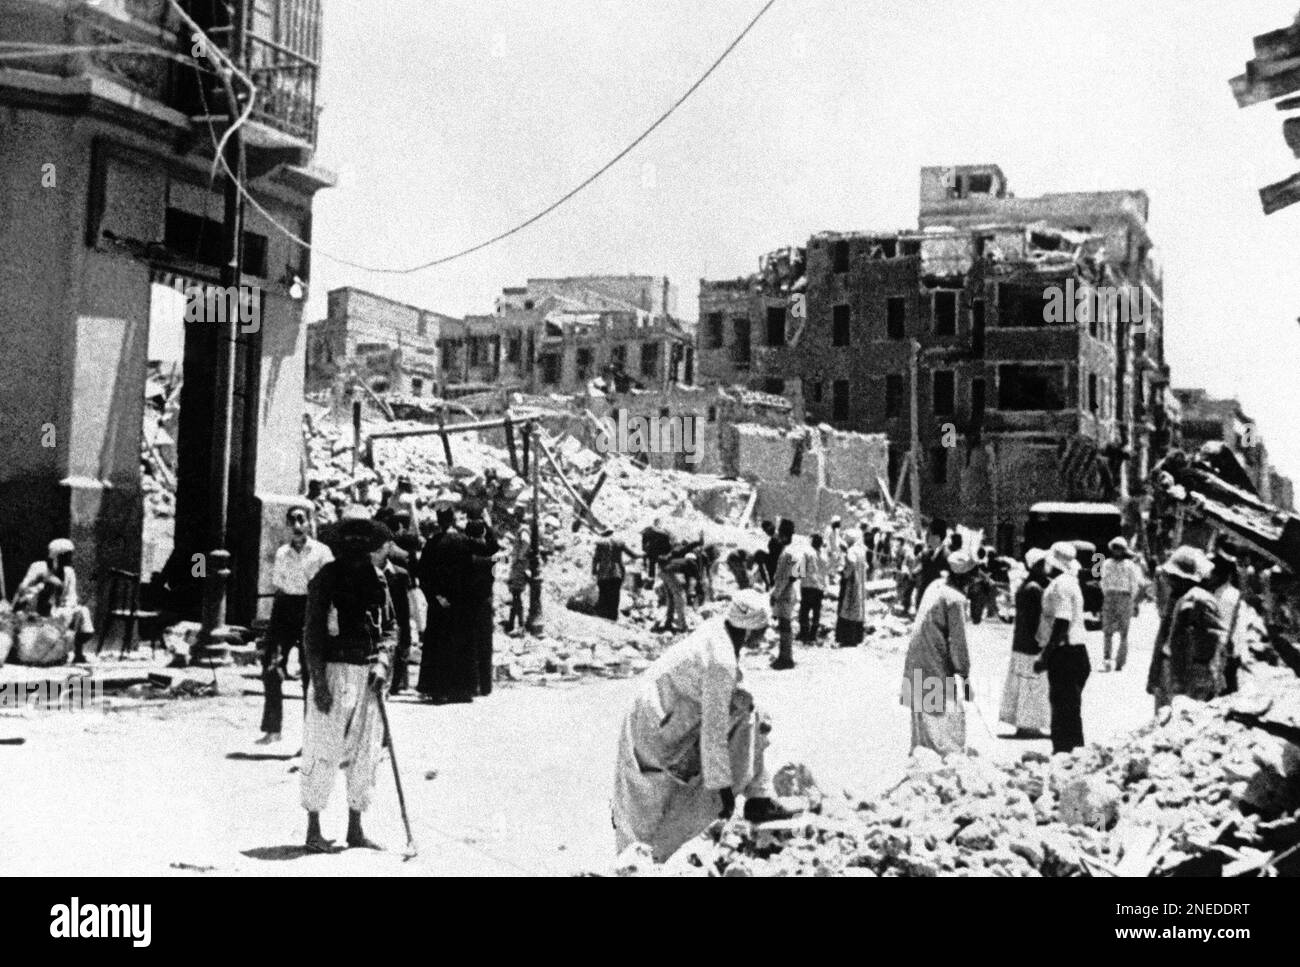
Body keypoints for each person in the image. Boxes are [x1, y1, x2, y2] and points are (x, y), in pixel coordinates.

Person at [611, 589, 793, 862]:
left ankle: (758, 794)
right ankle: (632, 864)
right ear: (752, 627)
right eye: (763, 628)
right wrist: (723, 791)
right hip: (654, 727)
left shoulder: (720, 632)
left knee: (752, 712)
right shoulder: (720, 660)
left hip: (666, 714)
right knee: (645, 809)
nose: (765, 635)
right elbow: (714, 731)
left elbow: (731, 705)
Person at [300, 515, 396, 853]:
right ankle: (314, 829)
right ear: (341, 545)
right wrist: (319, 682)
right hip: (333, 671)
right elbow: (311, 634)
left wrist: (383, 663)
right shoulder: (326, 578)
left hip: (368, 674)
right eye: (350, 541)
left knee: (366, 751)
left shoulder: (378, 580)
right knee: (323, 747)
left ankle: (356, 827)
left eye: (362, 542)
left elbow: (390, 629)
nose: (356, 548)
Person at [900, 549, 976, 756]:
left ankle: (921, 755)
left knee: (923, 713)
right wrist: (965, 675)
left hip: (916, 657)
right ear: (966, 576)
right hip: (932, 659)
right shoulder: (955, 599)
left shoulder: (935, 586)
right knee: (942, 717)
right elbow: (958, 643)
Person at [1152, 546, 1229, 706]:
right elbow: (1164, 638)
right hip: (1175, 671)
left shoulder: (1196, 600)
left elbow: (1210, 643)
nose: (1168, 580)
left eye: (1173, 576)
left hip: (1191, 673)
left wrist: (1182, 682)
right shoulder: (1178, 599)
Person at [1033, 542, 1090, 754]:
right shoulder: (1067, 582)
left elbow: (1062, 623)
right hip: (1072, 653)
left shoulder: (1062, 585)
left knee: (1065, 712)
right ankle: (1070, 755)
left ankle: (1067, 756)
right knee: (1066, 709)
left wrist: (1045, 656)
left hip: (1066, 653)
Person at [416, 506, 476, 704]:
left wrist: (435, 596)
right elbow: (473, 574)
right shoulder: (465, 542)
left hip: (440, 603)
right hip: (462, 603)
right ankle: (462, 689)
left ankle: (439, 689)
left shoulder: (432, 544)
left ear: (439, 521)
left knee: (439, 645)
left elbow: (423, 575)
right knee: (461, 642)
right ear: (453, 520)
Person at [13, 538, 96, 664]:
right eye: (67, 555)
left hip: (59, 611)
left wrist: (68, 608)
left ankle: (78, 653)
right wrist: (41, 585)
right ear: (58, 555)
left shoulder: (69, 572)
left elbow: (71, 596)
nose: (70, 558)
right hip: (36, 610)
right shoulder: (38, 567)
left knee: (83, 612)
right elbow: (23, 588)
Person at [999, 548, 1050, 738]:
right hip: (1031, 644)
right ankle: (1029, 725)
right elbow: (1038, 619)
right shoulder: (1034, 589)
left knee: (1021, 683)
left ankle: (1023, 723)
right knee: (1031, 684)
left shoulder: (1025, 586)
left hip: (1021, 642)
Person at [462, 513, 501, 697]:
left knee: (470, 643)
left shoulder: (465, 553)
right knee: (485, 644)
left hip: (468, 602)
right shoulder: (490, 556)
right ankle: (486, 686)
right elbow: (495, 545)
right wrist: (488, 524)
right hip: (485, 602)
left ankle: (472, 684)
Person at [1099, 536, 1143, 672]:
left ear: (1123, 550)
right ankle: (1107, 659)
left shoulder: (1130, 566)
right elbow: (1103, 581)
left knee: (1123, 632)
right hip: (1112, 596)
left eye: (1120, 549)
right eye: (1115, 549)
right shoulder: (1107, 564)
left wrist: (1131, 599)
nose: (1117, 551)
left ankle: (1119, 661)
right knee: (1107, 631)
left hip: (1123, 597)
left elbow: (1134, 584)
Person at [1207, 548, 1245, 694]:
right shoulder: (1226, 592)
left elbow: (1223, 629)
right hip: (1228, 652)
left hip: (1223, 652)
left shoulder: (1226, 596)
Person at [768, 521, 799, 670]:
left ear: (784, 535)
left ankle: (786, 658)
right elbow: (799, 573)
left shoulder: (787, 553)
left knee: (784, 625)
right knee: (786, 625)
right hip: (791, 590)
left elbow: (783, 577)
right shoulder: (796, 550)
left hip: (785, 592)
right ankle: (786, 655)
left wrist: (775, 594)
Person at [592, 527, 639, 621]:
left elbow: (596, 558)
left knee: (604, 593)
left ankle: (603, 615)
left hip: (603, 572)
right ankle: (613, 617)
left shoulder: (601, 542)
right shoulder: (619, 542)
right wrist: (642, 555)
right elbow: (632, 554)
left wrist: (594, 570)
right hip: (617, 572)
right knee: (615, 594)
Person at [835, 528, 869, 647]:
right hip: (860, 582)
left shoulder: (852, 551)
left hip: (852, 583)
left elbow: (851, 563)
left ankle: (848, 638)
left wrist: (844, 573)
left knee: (848, 609)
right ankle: (857, 637)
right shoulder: (861, 550)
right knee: (857, 609)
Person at [797, 533, 828, 643]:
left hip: (807, 585)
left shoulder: (807, 553)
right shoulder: (824, 556)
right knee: (816, 611)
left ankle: (803, 633)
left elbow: (800, 571)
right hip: (819, 587)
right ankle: (813, 635)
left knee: (804, 611)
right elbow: (825, 573)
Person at [916, 518, 950, 602]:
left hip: (936, 602)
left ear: (937, 537)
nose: (926, 536)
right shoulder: (925, 553)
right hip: (922, 600)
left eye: (928, 533)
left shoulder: (948, 556)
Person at [504, 527, 530, 635]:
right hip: (518, 566)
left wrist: (519, 556)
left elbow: (526, 542)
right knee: (515, 596)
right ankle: (512, 624)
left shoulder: (523, 529)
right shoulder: (521, 530)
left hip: (519, 567)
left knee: (516, 596)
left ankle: (520, 626)